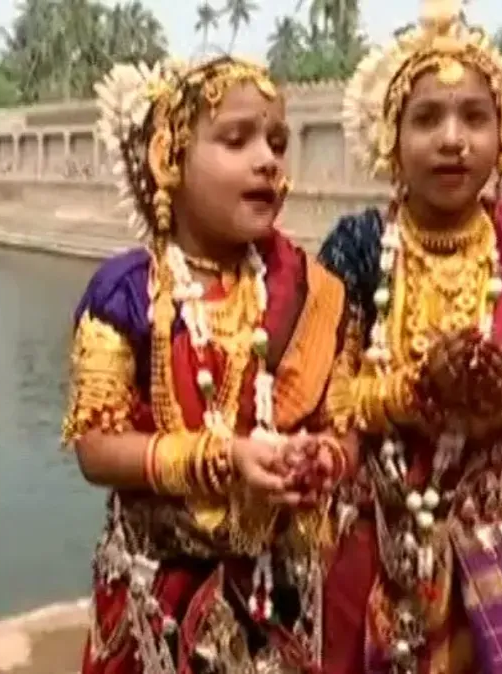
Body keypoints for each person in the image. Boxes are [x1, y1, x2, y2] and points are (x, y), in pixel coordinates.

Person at [63, 55, 361, 673]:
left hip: (279, 588)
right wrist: (223, 459)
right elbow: (96, 447)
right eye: (236, 139)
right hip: (159, 595)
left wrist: (320, 461)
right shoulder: (127, 291)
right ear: (169, 159)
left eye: (277, 142)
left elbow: (344, 426)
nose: (267, 159)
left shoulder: (316, 291)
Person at [316, 1, 502, 672]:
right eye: (427, 117)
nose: (453, 138)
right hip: (376, 531)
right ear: (390, 138)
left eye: (475, 116)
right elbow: (328, 398)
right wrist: (414, 389)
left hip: (487, 533)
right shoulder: (357, 248)